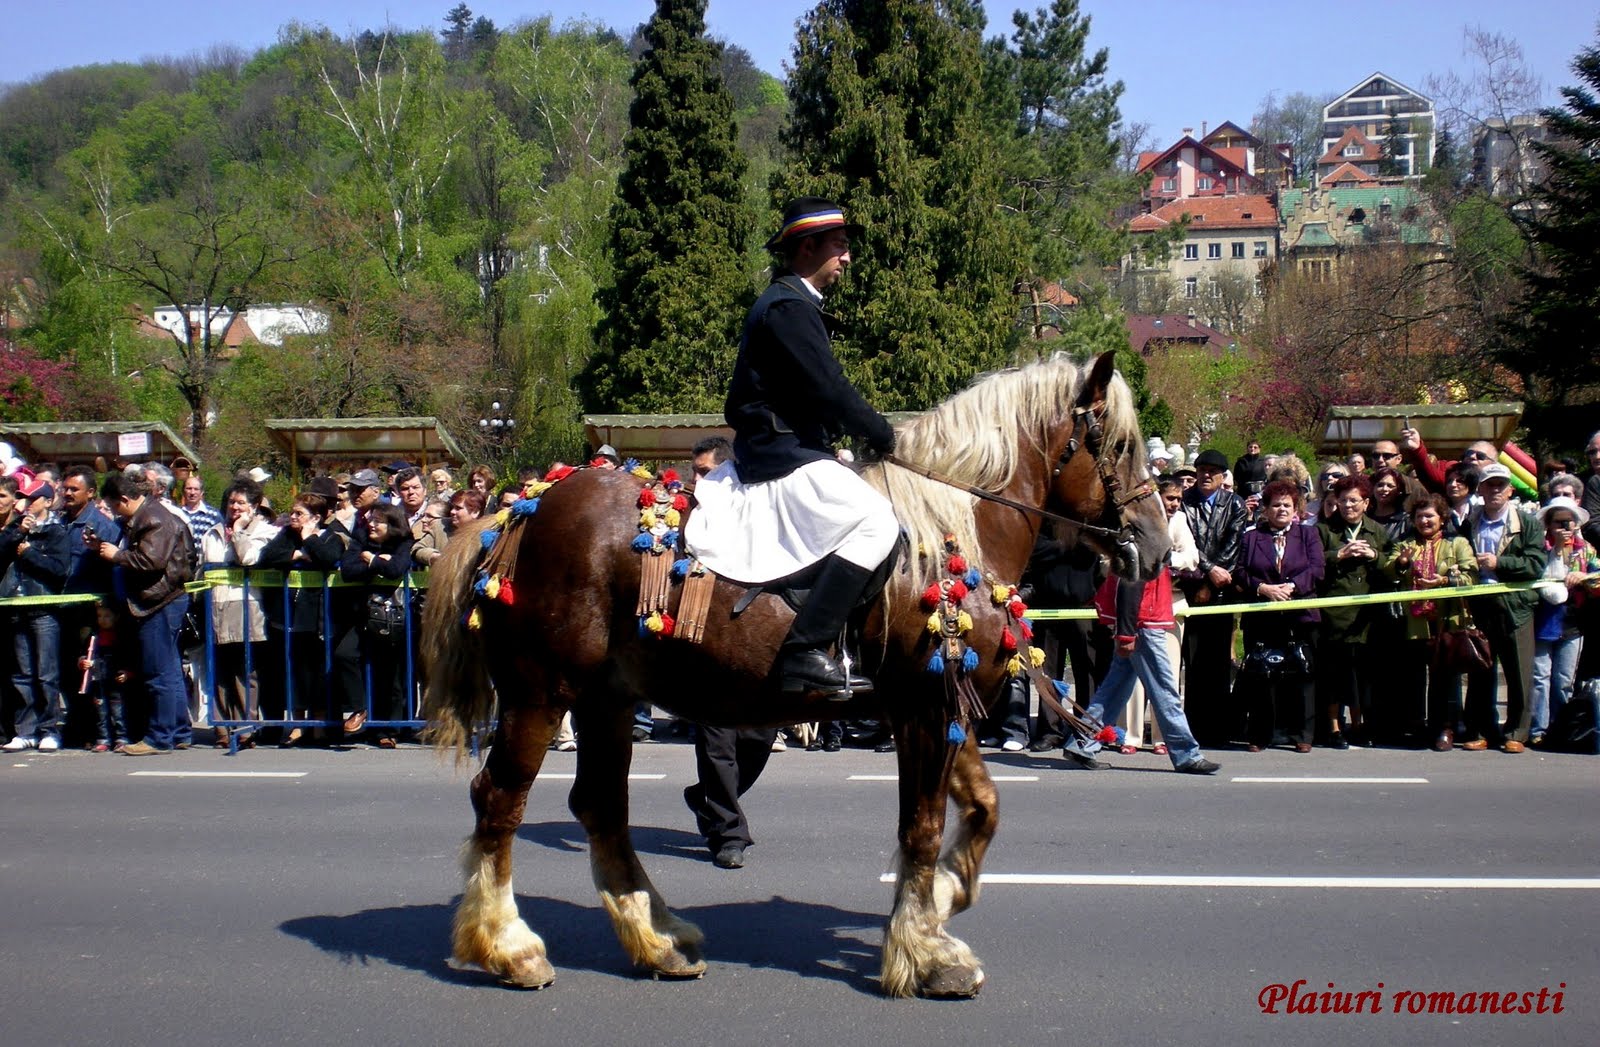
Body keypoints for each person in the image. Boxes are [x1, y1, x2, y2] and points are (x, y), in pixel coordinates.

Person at [687, 196, 898, 698]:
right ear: (808, 248)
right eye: (840, 246)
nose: (848, 258)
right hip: (780, 456)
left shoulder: (793, 304)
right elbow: (830, 388)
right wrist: (882, 433)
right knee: (878, 523)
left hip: (792, 448)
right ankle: (804, 650)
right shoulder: (787, 306)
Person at [1061, 491, 1219, 775]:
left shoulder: (1144, 535)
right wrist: (1126, 634)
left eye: (1176, 499)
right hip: (1143, 623)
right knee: (1165, 690)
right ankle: (1186, 754)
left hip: (1142, 621)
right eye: (1168, 499)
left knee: (1114, 688)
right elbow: (1129, 586)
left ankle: (1083, 743)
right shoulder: (1143, 539)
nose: (1174, 504)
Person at [683, 435, 779, 868]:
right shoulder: (687, 510)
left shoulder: (750, 505)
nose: (695, 479)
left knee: (758, 740)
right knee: (717, 745)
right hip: (705, 641)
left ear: (725, 471)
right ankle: (729, 834)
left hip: (754, 641)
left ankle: (706, 797)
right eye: (694, 471)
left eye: (704, 471)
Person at [95, 467, 195, 755]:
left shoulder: (153, 518)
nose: (114, 512)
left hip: (158, 602)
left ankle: (159, 738)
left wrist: (118, 555)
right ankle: (177, 731)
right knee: (169, 670)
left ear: (124, 499)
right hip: (159, 600)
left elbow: (151, 560)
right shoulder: (149, 516)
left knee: (158, 673)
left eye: (114, 505)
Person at [1458, 463, 1545, 753]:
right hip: (1480, 606)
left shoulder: (1527, 523)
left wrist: (1500, 563)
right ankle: (1482, 729)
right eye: (1489, 484)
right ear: (1480, 490)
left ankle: (1516, 733)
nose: (1495, 490)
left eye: (1500, 485)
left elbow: (1536, 564)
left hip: (1516, 608)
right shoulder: (1470, 521)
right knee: (1481, 671)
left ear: (1509, 490)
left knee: (1519, 673)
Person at [1234, 480, 1325, 753]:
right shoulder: (1251, 537)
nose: (1281, 509)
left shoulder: (1309, 535)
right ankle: (1261, 734)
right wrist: (1263, 588)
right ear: (1266, 509)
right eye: (1276, 505)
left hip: (1300, 615)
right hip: (1262, 617)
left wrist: (1292, 587)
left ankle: (1303, 735)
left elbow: (1317, 569)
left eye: (1287, 505)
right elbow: (1239, 571)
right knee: (1262, 676)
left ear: (1295, 508)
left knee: (1302, 674)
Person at [258, 480, 349, 745]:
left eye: (300, 514)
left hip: (318, 612)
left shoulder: (330, 535)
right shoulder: (286, 534)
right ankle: (297, 724)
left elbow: (328, 558)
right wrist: (297, 553)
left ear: (316, 517)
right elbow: (266, 557)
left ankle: (319, 724)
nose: (293, 517)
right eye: (293, 512)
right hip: (288, 613)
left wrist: (310, 538)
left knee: (318, 670)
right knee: (295, 669)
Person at [1391, 494, 1478, 751]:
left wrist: (1443, 582)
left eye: (1429, 516)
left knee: (1445, 679)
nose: (1424, 521)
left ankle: (1445, 728)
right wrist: (1402, 562)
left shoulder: (1457, 544)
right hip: (1415, 622)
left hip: (1446, 622)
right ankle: (1417, 726)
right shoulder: (1406, 544)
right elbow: (1389, 566)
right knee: (1414, 678)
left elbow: (1471, 575)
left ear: (1442, 519)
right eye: (1419, 516)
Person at [199, 477, 280, 747]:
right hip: (216, 606)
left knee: (245, 671)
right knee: (220, 670)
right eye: (231, 502)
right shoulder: (213, 531)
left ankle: (246, 728)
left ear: (255, 506)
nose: (234, 507)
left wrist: (240, 531)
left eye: (241, 503)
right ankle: (223, 728)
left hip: (247, 605)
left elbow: (248, 559)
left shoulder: (265, 531)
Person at [1316, 475, 1393, 748]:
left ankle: (1360, 724)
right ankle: (1335, 727)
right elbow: (1314, 563)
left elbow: (1391, 564)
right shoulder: (1324, 529)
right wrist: (1340, 554)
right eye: (1343, 500)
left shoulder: (1377, 530)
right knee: (1334, 675)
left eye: (1354, 500)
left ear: (1366, 503)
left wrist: (1374, 556)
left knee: (1362, 675)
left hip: (1366, 616)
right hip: (1334, 613)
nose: (1348, 506)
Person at [1177, 448, 1247, 746]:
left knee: (1217, 660)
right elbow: (1186, 541)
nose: (1205, 475)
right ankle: (1192, 728)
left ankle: (1218, 729)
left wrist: (1214, 579)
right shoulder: (1185, 503)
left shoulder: (1235, 504)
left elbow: (1233, 544)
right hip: (1189, 587)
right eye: (1201, 470)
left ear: (1223, 477)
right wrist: (1206, 570)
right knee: (1192, 662)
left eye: (1212, 471)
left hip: (1221, 591)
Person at [337, 503, 415, 747]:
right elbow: (347, 571)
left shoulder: (403, 540)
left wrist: (371, 561)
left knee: (391, 675)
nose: (371, 524)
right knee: (344, 654)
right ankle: (360, 709)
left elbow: (396, 569)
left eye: (378, 521)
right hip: (363, 613)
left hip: (394, 616)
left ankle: (389, 730)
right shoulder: (360, 536)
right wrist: (376, 564)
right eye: (370, 519)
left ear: (392, 524)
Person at [1, 476, 70, 751]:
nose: (27, 505)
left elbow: (59, 570)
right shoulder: (16, 529)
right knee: (22, 674)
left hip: (43, 610)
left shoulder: (56, 531)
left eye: (33, 500)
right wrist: (19, 533)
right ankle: (25, 729)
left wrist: (29, 553)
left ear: (48, 501)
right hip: (17, 607)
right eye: (24, 499)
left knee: (46, 673)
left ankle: (49, 729)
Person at [1529, 497, 1599, 746]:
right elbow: (1535, 575)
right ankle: (1538, 730)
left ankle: (1560, 730)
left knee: (1563, 680)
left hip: (1572, 623)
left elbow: (1598, 577)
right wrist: (1556, 551)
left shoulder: (1587, 549)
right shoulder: (1539, 548)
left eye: (1568, 522)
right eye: (1558, 522)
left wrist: (1585, 576)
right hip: (1543, 620)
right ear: (1548, 525)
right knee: (1540, 677)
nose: (1564, 528)